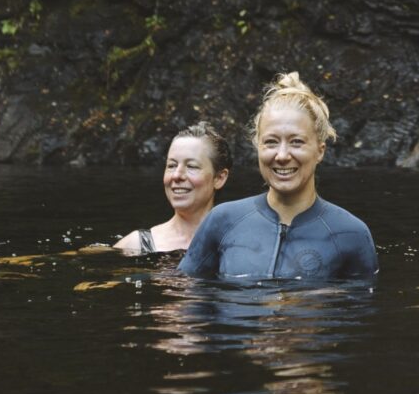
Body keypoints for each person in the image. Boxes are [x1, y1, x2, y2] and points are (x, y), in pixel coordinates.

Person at [178, 72, 378, 281]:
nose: (282, 156)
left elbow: (360, 300)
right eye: (271, 142)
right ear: (258, 147)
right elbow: (186, 293)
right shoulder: (222, 220)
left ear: (320, 151)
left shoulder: (351, 234)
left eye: (296, 142)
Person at [114, 122, 231, 255]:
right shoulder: (137, 245)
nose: (176, 175)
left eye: (191, 166)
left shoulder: (239, 242)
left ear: (219, 178)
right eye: (171, 165)